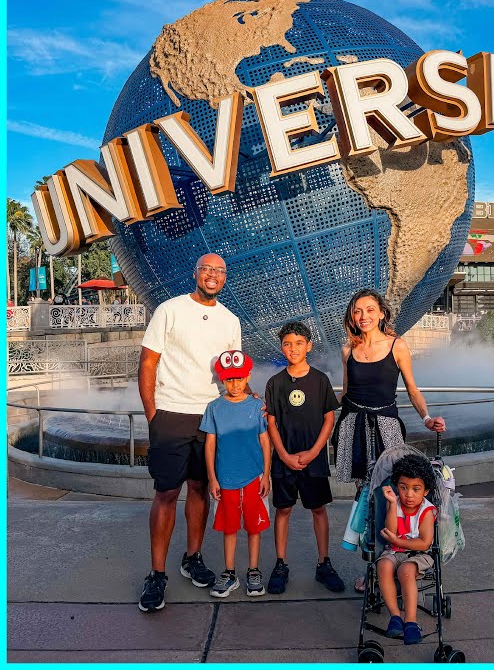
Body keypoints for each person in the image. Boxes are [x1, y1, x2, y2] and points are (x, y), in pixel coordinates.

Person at [137, 253, 241, 613]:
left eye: (219, 271)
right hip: (171, 413)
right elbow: (148, 361)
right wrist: (153, 415)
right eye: (207, 269)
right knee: (166, 493)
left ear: (225, 278)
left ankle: (192, 557)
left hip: (210, 416)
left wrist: (241, 404)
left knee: (200, 489)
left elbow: (233, 374)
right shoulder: (170, 309)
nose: (212, 275)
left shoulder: (230, 320)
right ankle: (157, 573)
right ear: (195, 273)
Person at [263, 322, 344, 594]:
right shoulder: (275, 383)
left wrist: (313, 452)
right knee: (283, 510)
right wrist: (284, 456)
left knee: (318, 509)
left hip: (314, 459)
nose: (293, 348)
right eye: (287, 343)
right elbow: (272, 423)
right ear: (281, 347)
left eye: (299, 343)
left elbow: (328, 420)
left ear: (309, 346)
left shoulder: (320, 380)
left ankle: (324, 563)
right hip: (283, 461)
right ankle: (281, 563)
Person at [333, 289, 445, 484]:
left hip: (387, 425)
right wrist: (311, 408)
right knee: (363, 489)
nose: (364, 316)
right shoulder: (347, 351)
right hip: (353, 424)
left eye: (370, 310)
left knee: (391, 485)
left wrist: (426, 418)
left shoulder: (397, 346)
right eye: (357, 311)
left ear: (381, 313)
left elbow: (412, 390)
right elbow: (345, 392)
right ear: (352, 316)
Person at [201, 351, 271, 597]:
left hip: (253, 477)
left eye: (239, 378)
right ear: (222, 380)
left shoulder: (256, 406)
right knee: (229, 528)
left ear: (248, 377)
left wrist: (266, 475)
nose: (235, 384)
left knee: (254, 527)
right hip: (226, 479)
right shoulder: (214, 408)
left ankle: (253, 569)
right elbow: (210, 444)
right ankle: (229, 572)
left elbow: (265, 443)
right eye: (229, 379)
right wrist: (212, 477)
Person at [377, 455, 437, 645]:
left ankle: (411, 620)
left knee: (406, 571)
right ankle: (395, 615)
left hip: (418, 555)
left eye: (415, 489)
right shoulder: (394, 501)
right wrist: (393, 504)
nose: (408, 494)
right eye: (403, 488)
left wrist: (398, 542)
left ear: (425, 491)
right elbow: (391, 530)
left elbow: (424, 543)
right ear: (397, 487)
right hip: (394, 551)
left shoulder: (427, 511)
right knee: (384, 565)